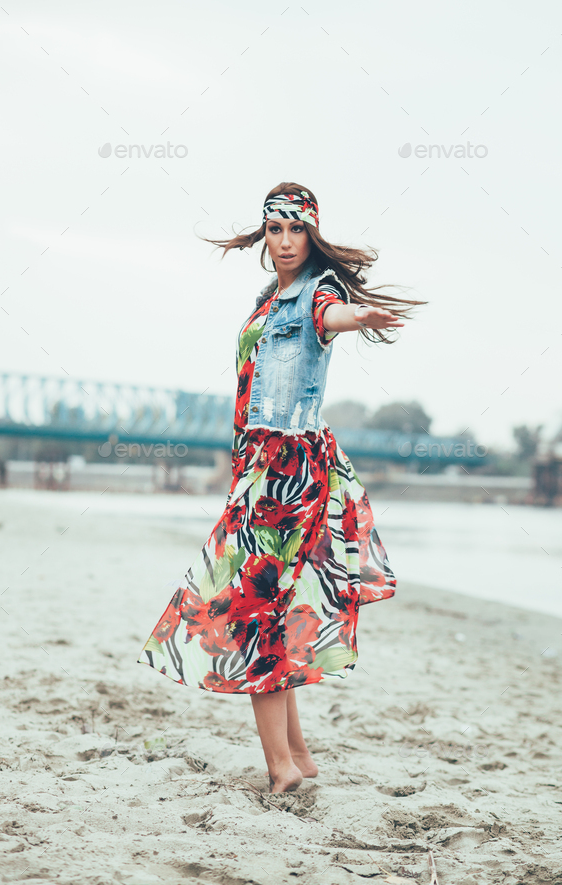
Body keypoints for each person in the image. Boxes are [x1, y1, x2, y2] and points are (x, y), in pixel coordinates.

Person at [138, 182, 424, 793]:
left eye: (297, 229)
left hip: (287, 473)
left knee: (251, 612)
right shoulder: (271, 298)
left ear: (312, 234)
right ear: (264, 235)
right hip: (261, 469)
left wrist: (359, 317)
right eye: (276, 229)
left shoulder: (316, 295)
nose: (286, 241)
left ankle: (281, 772)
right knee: (271, 609)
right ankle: (298, 756)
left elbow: (331, 316)